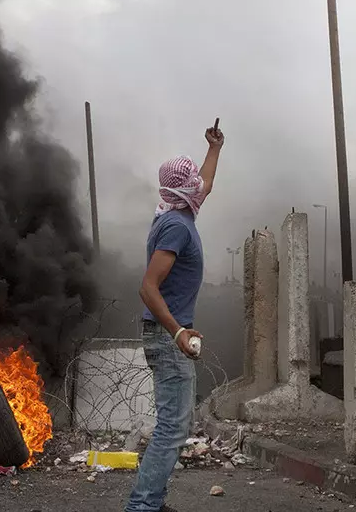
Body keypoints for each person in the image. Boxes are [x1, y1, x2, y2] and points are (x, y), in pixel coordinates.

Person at [125, 122, 224, 512]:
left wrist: (214, 148)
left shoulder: (172, 214)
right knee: (172, 428)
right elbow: (148, 287)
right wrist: (179, 331)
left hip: (166, 335)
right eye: (194, 183)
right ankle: (143, 506)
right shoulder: (176, 228)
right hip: (168, 339)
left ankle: (151, 502)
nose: (201, 186)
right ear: (185, 191)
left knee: (174, 425)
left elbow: (206, 185)